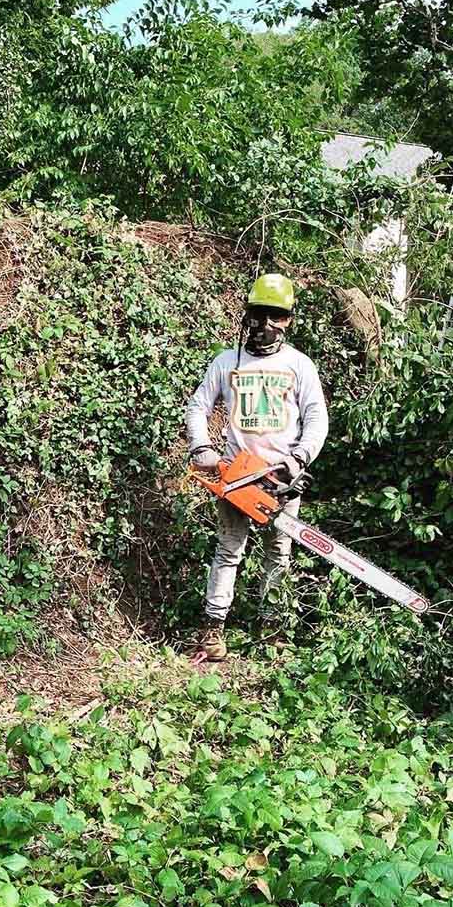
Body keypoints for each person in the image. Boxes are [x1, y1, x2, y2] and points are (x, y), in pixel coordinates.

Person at [184, 273, 329, 660]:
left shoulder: (299, 365)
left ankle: (272, 627)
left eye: (276, 317)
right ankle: (213, 630)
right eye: (260, 315)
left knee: (278, 554)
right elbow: (199, 406)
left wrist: (297, 459)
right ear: (248, 315)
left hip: (282, 475)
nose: (266, 324)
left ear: (288, 320)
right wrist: (202, 448)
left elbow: (317, 420)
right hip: (237, 474)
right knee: (228, 550)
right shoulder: (227, 361)